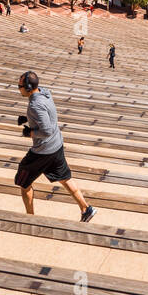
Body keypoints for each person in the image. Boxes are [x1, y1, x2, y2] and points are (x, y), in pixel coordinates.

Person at [14, 71, 95, 222]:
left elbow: (46, 130)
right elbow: (47, 115)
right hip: (56, 145)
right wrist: (28, 118)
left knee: (24, 183)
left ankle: (30, 218)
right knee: (65, 178)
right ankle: (86, 209)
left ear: (29, 87)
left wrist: (29, 132)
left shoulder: (34, 105)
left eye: (19, 86)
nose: (18, 89)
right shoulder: (45, 93)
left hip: (42, 152)